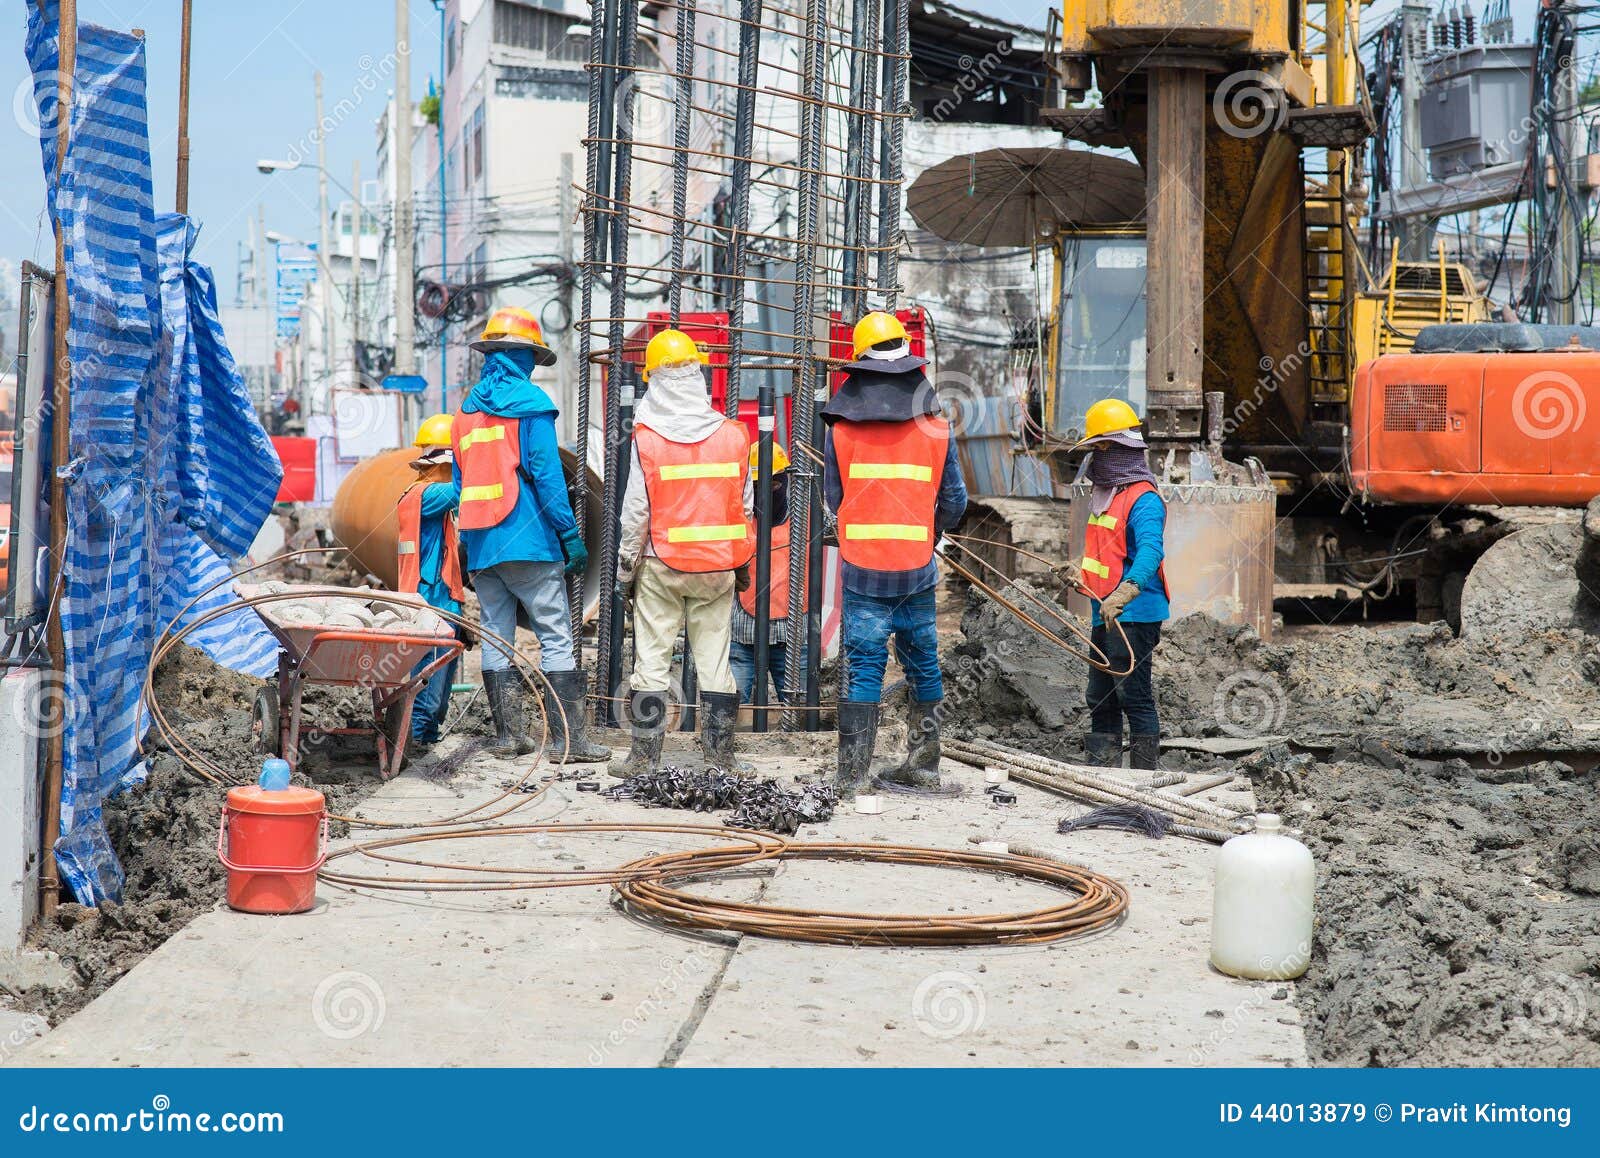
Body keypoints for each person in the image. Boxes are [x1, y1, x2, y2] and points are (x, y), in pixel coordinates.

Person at [450, 306, 609, 762]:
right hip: (529, 543)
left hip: (481, 546)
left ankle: (509, 737)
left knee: (499, 636)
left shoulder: (463, 416)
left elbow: (460, 486)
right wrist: (571, 535)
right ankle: (569, 742)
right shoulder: (531, 406)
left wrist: (467, 543)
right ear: (523, 356)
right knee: (556, 636)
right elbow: (548, 476)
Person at [823, 310, 967, 796]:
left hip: (864, 568)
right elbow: (955, 502)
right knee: (923, 662)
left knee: (864, 666)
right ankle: (924, 767)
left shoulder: (840, 431)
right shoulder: (936, 428)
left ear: (860, 366)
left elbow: (833, 498)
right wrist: (927, 534)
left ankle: (853, 776)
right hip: (916, 569)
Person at [615, 328, 754, 777]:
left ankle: (643, 759)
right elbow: (745, 506)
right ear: (699, 375)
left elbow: (635, 512)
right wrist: (743, 563)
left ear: (652, 381)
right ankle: (721, 759)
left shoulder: (647, 438)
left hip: (661, 564)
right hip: (717, 567)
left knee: (652, 657)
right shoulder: (733, 436)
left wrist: (624, 571)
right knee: (714, 658)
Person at [1071, 397, 1169, 771]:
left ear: (1114, 447)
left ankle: (1145, 782)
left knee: (1134, 696)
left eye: (1098, 448)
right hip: (1104, 612)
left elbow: (1150, 552)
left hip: (1134, 614)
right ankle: (1104, 774)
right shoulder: (1109, 497)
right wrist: (1077, 572)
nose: (1094, 458)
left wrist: (1125, 593)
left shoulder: (1144, 499)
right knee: (1100, 696)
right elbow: (1105, 554)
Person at [396, 413, 464, 749]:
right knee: (431, 684)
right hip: (433, 603)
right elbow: (464, 489)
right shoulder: (428, 495)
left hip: (431, 599)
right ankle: (420, 742)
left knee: (436, 678)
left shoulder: (415, 495)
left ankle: (423, 737)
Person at [729, 443, 806, 705]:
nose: (766, 494)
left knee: (799, 717)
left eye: (774, 486)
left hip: (793, 638)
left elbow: (844, 531)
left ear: (784, 481)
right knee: (730, 710)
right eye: (758, 486)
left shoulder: (807, 517)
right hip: (743, 635)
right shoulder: (736, 517)